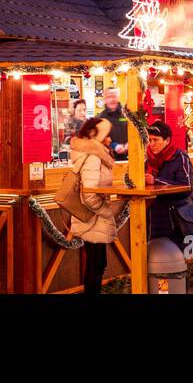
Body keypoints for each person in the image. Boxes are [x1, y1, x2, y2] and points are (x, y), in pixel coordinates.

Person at [68, 118, 122, 295]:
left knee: (96, 263)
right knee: (96, 264)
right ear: (96, 135)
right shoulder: (93, 157)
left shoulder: (96, 154)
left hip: (92, 218)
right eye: (106, 135)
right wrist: (106, 211)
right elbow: (89, 194)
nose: (109, 138)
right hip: (92, 218)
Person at [145, 120, 193, 247]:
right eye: (149, 140)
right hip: (153, 218)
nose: (152, 144)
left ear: (167, 140)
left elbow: (187, 187)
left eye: (156, 140)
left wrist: (155, 181)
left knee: (183, 258)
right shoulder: (147, 160)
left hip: (178, 218)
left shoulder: (180, 157)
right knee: (157, 259)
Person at [97, 86, 129, 159]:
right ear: (104, 99)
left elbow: (136, 132)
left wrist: (129, 144)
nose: (112, 99)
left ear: (118, 97)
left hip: (129, 156)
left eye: (114, 96)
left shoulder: (127, 114)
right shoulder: (100, 118)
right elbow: (99, 139)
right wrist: (114, 146)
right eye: (109, 97)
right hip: (108, 159)